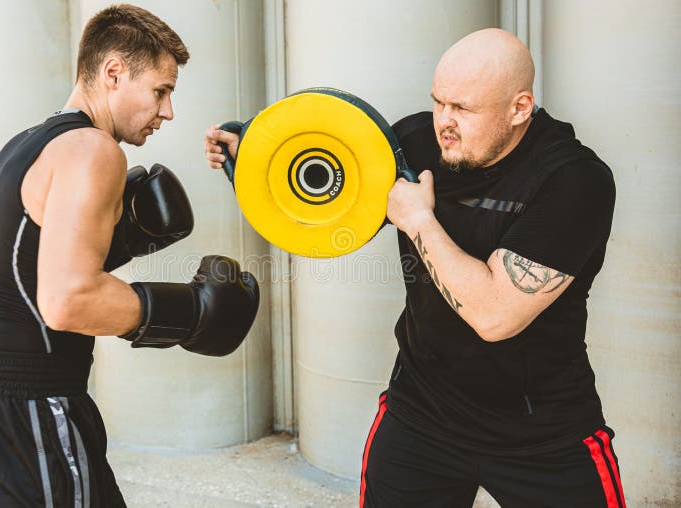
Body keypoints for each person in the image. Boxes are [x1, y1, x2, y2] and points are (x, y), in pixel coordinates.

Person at [204, 28, 623, 508]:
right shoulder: (417, 142)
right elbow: (326, 205)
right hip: (422, 412)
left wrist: (419, 219)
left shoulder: (574, 181)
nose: (444, 122)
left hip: (541, 431)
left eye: (463, 109)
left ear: (519, 109)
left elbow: (495, 316)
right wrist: (254, 157)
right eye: (438, 102)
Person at [0, 5, 259, 507]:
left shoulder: (29, 144)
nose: (168, 112)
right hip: (35, 411)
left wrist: (122, 240)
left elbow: (28, 272)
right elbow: (67, 301)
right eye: (161, 91)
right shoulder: (93, 150)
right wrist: (193, 314)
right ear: (114, 72)